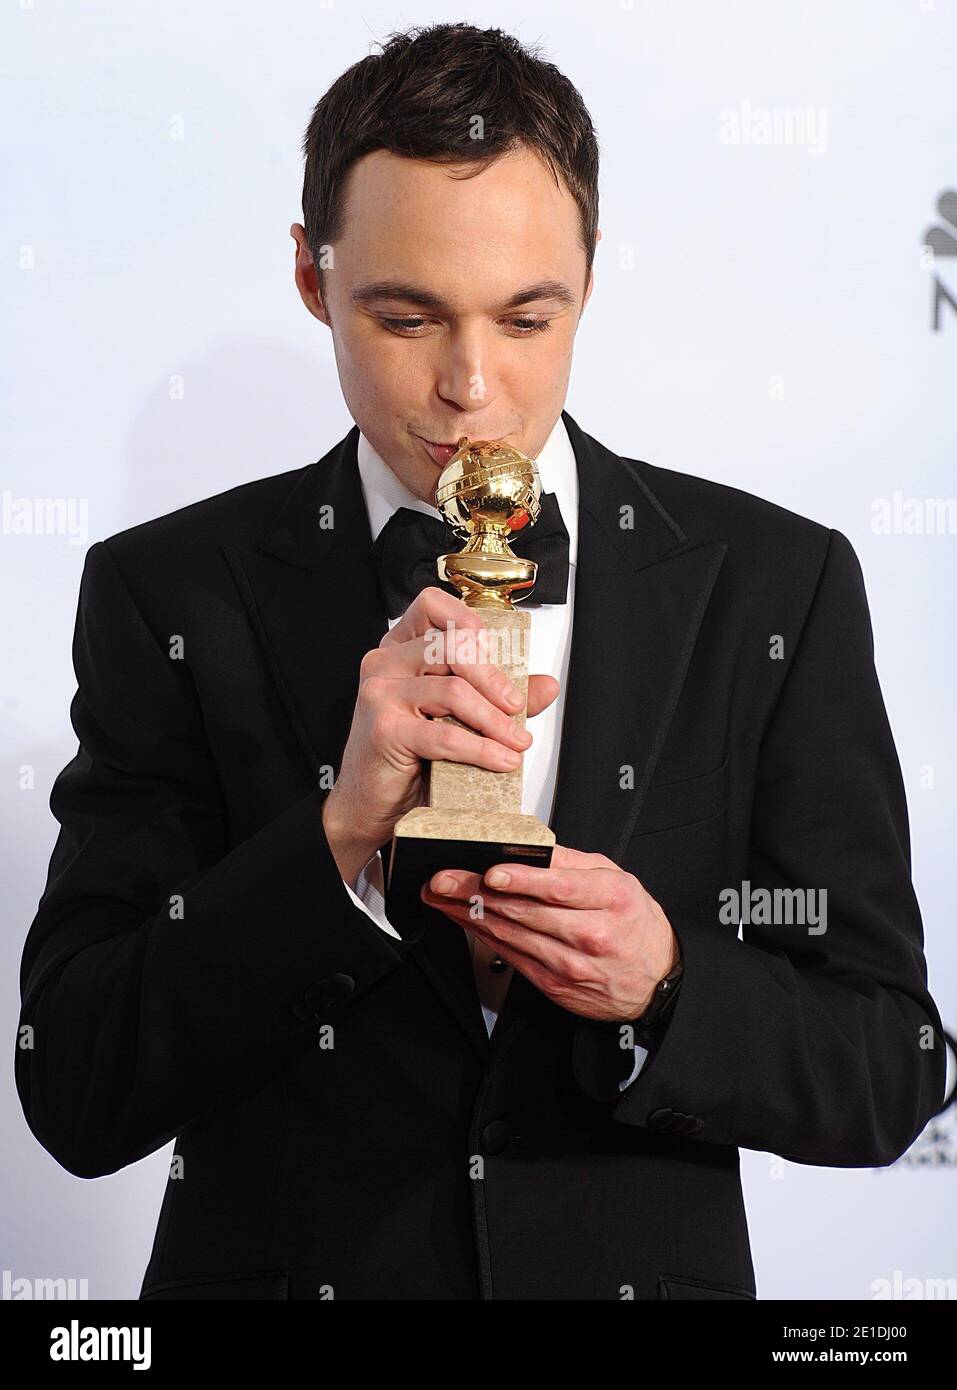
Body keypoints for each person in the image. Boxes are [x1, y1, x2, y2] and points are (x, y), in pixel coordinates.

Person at [16, 21, 946, 1301]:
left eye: (526, 316)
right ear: (311, 278)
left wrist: (668, 982)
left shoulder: (774, 584)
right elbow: (75, 1080)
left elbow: (889, 1062)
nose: (472, 385)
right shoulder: (168, 592)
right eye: (405, 317)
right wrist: (338, 836)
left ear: (590, 276)